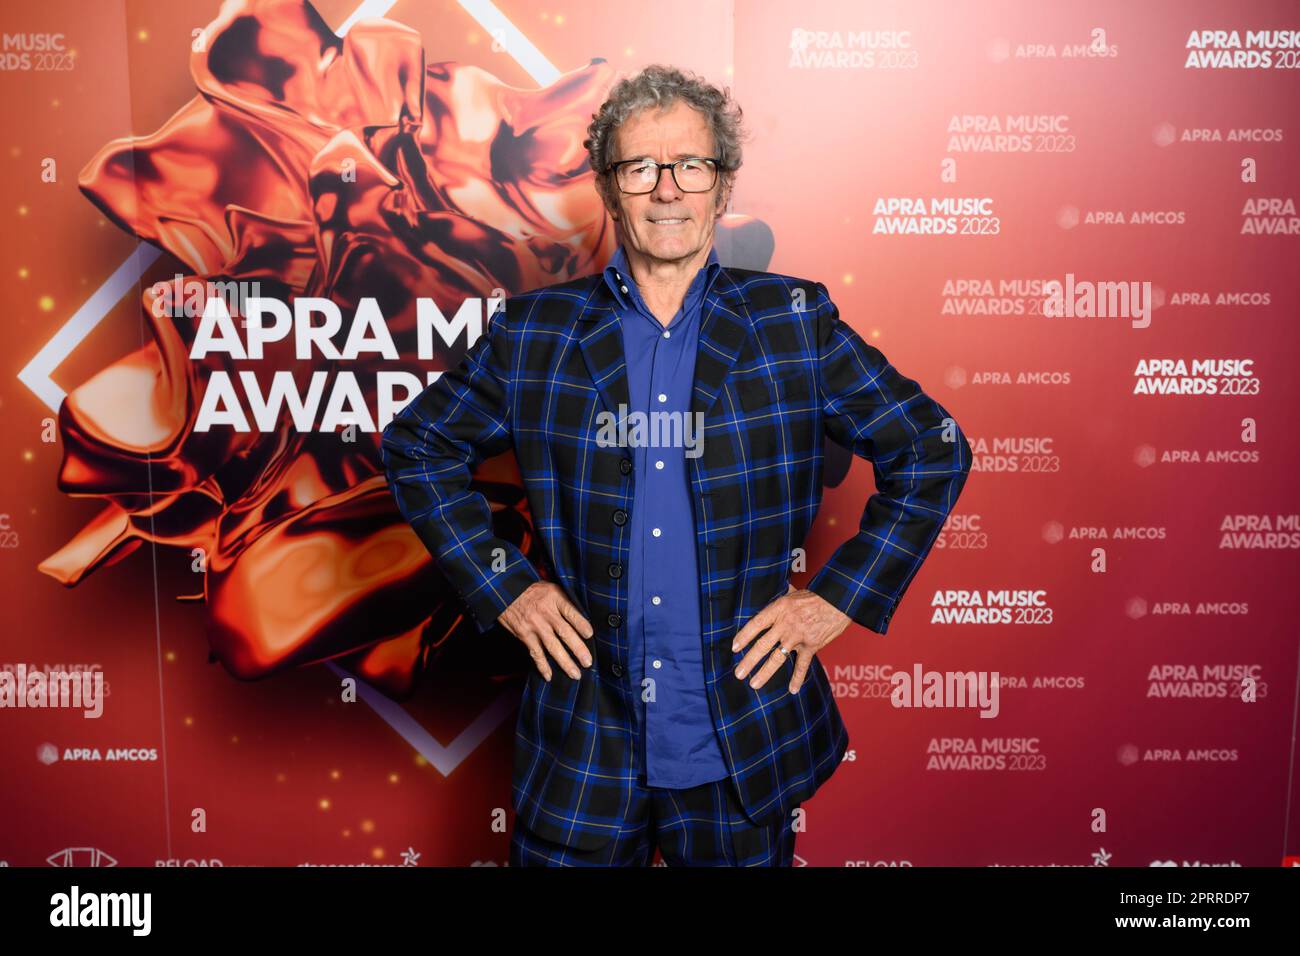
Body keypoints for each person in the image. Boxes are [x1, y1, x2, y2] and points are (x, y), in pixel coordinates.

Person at [381, 64, 972, 866]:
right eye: (640, 168)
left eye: (692, 166)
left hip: (740, 747)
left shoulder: (792, 323)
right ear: (608, 186)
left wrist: (837, 599)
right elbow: (418, 444)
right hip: (584, 748)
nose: (667, 190)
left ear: (721, 187)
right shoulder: (534, 333)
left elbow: (931, 447)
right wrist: (505, 586)